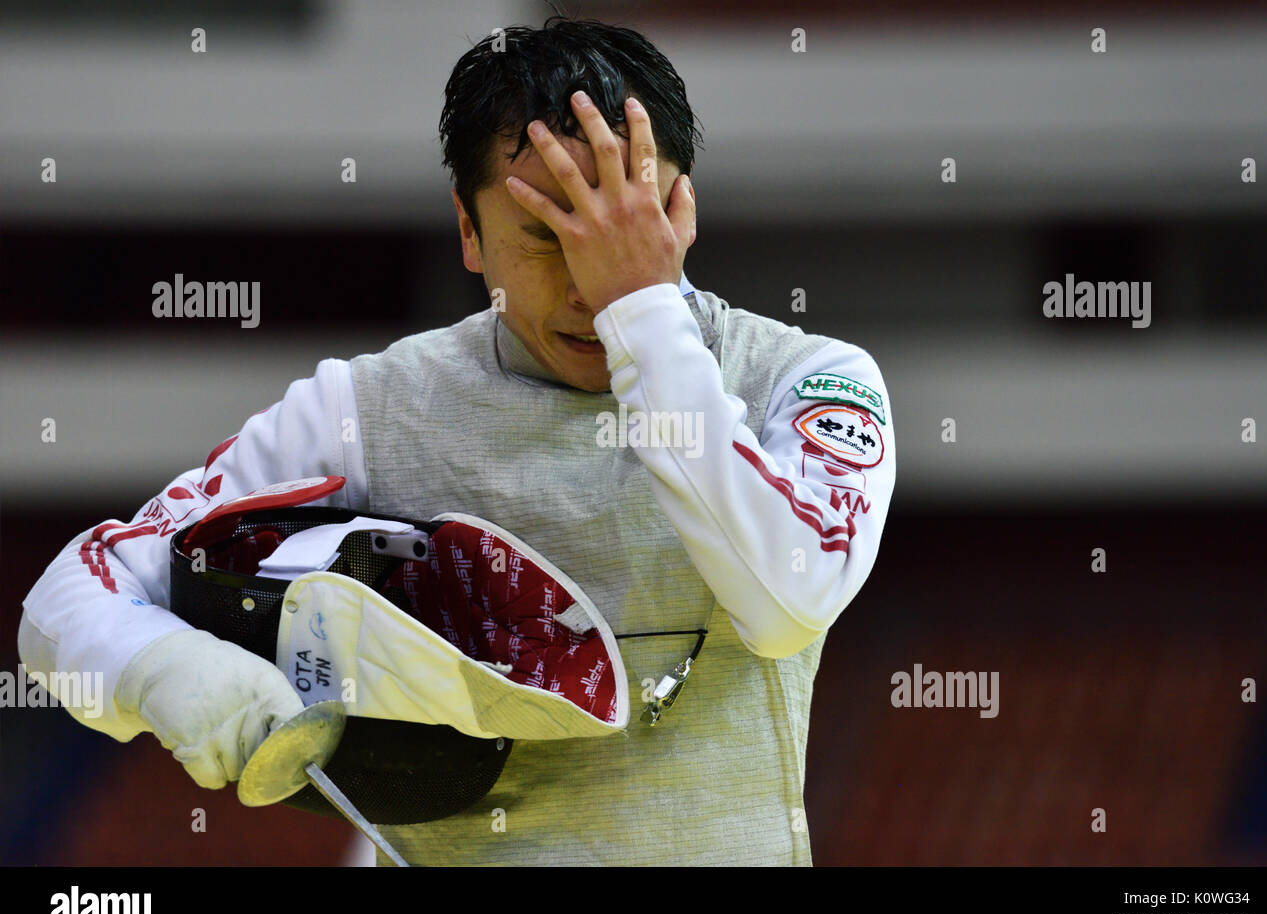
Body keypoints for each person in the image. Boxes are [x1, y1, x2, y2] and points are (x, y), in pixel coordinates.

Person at [18, 16, 895, 865]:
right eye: (548, 238)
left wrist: (645, 318)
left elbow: (786, 600)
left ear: (682, 210)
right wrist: (164, 665)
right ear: (470, 233)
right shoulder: (367, 407)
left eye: (625, 226)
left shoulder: (807, 380)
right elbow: (71, 593)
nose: (592, 286)